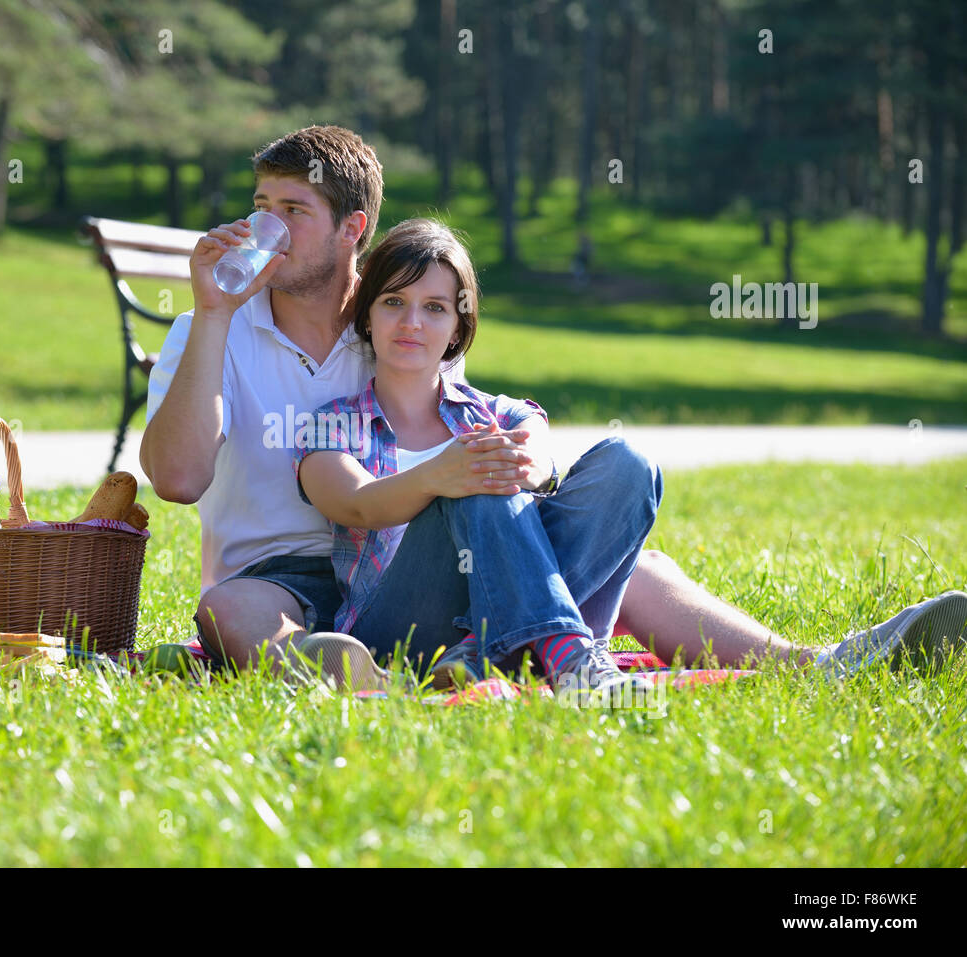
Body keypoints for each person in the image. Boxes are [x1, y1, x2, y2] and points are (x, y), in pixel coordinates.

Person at [140, 124, 967, 687]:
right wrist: (214, 311)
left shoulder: (396, 314)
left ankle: (812, 663)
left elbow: (487, 425)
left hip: (427, 558)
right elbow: (176, 479)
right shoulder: (212, 329)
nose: (265, 227)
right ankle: (379, 681)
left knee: (627, 556)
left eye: (292, 211)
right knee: (230, 606)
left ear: (353, 228)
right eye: (259, 205)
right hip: (288, 580)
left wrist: (530, 442)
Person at [293, 218, 660, 701]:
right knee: (474, 472)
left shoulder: (496, 414)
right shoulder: (329, 424)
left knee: (629, 463)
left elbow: (536, 444)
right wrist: (438, 475)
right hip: (398, 630)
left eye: (435, 308)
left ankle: (484, 651)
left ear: (457, 326)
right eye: (394, 303)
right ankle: (565, 655)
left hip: (485, 622)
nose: (412, 323)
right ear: (367, 316)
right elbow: (357, 505)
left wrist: (539, 468)